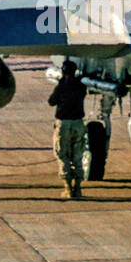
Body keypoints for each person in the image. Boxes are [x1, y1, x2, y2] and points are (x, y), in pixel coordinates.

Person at [48, 60, 88, 199]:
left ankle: (68, 189)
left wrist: (61, 86)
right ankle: (78, 188)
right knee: (77, 155)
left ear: (63, 72)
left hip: (63, 124)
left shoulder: (61, 87)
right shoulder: (81, 86)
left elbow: (51, 101)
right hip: (78, 123)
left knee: (62, 155)